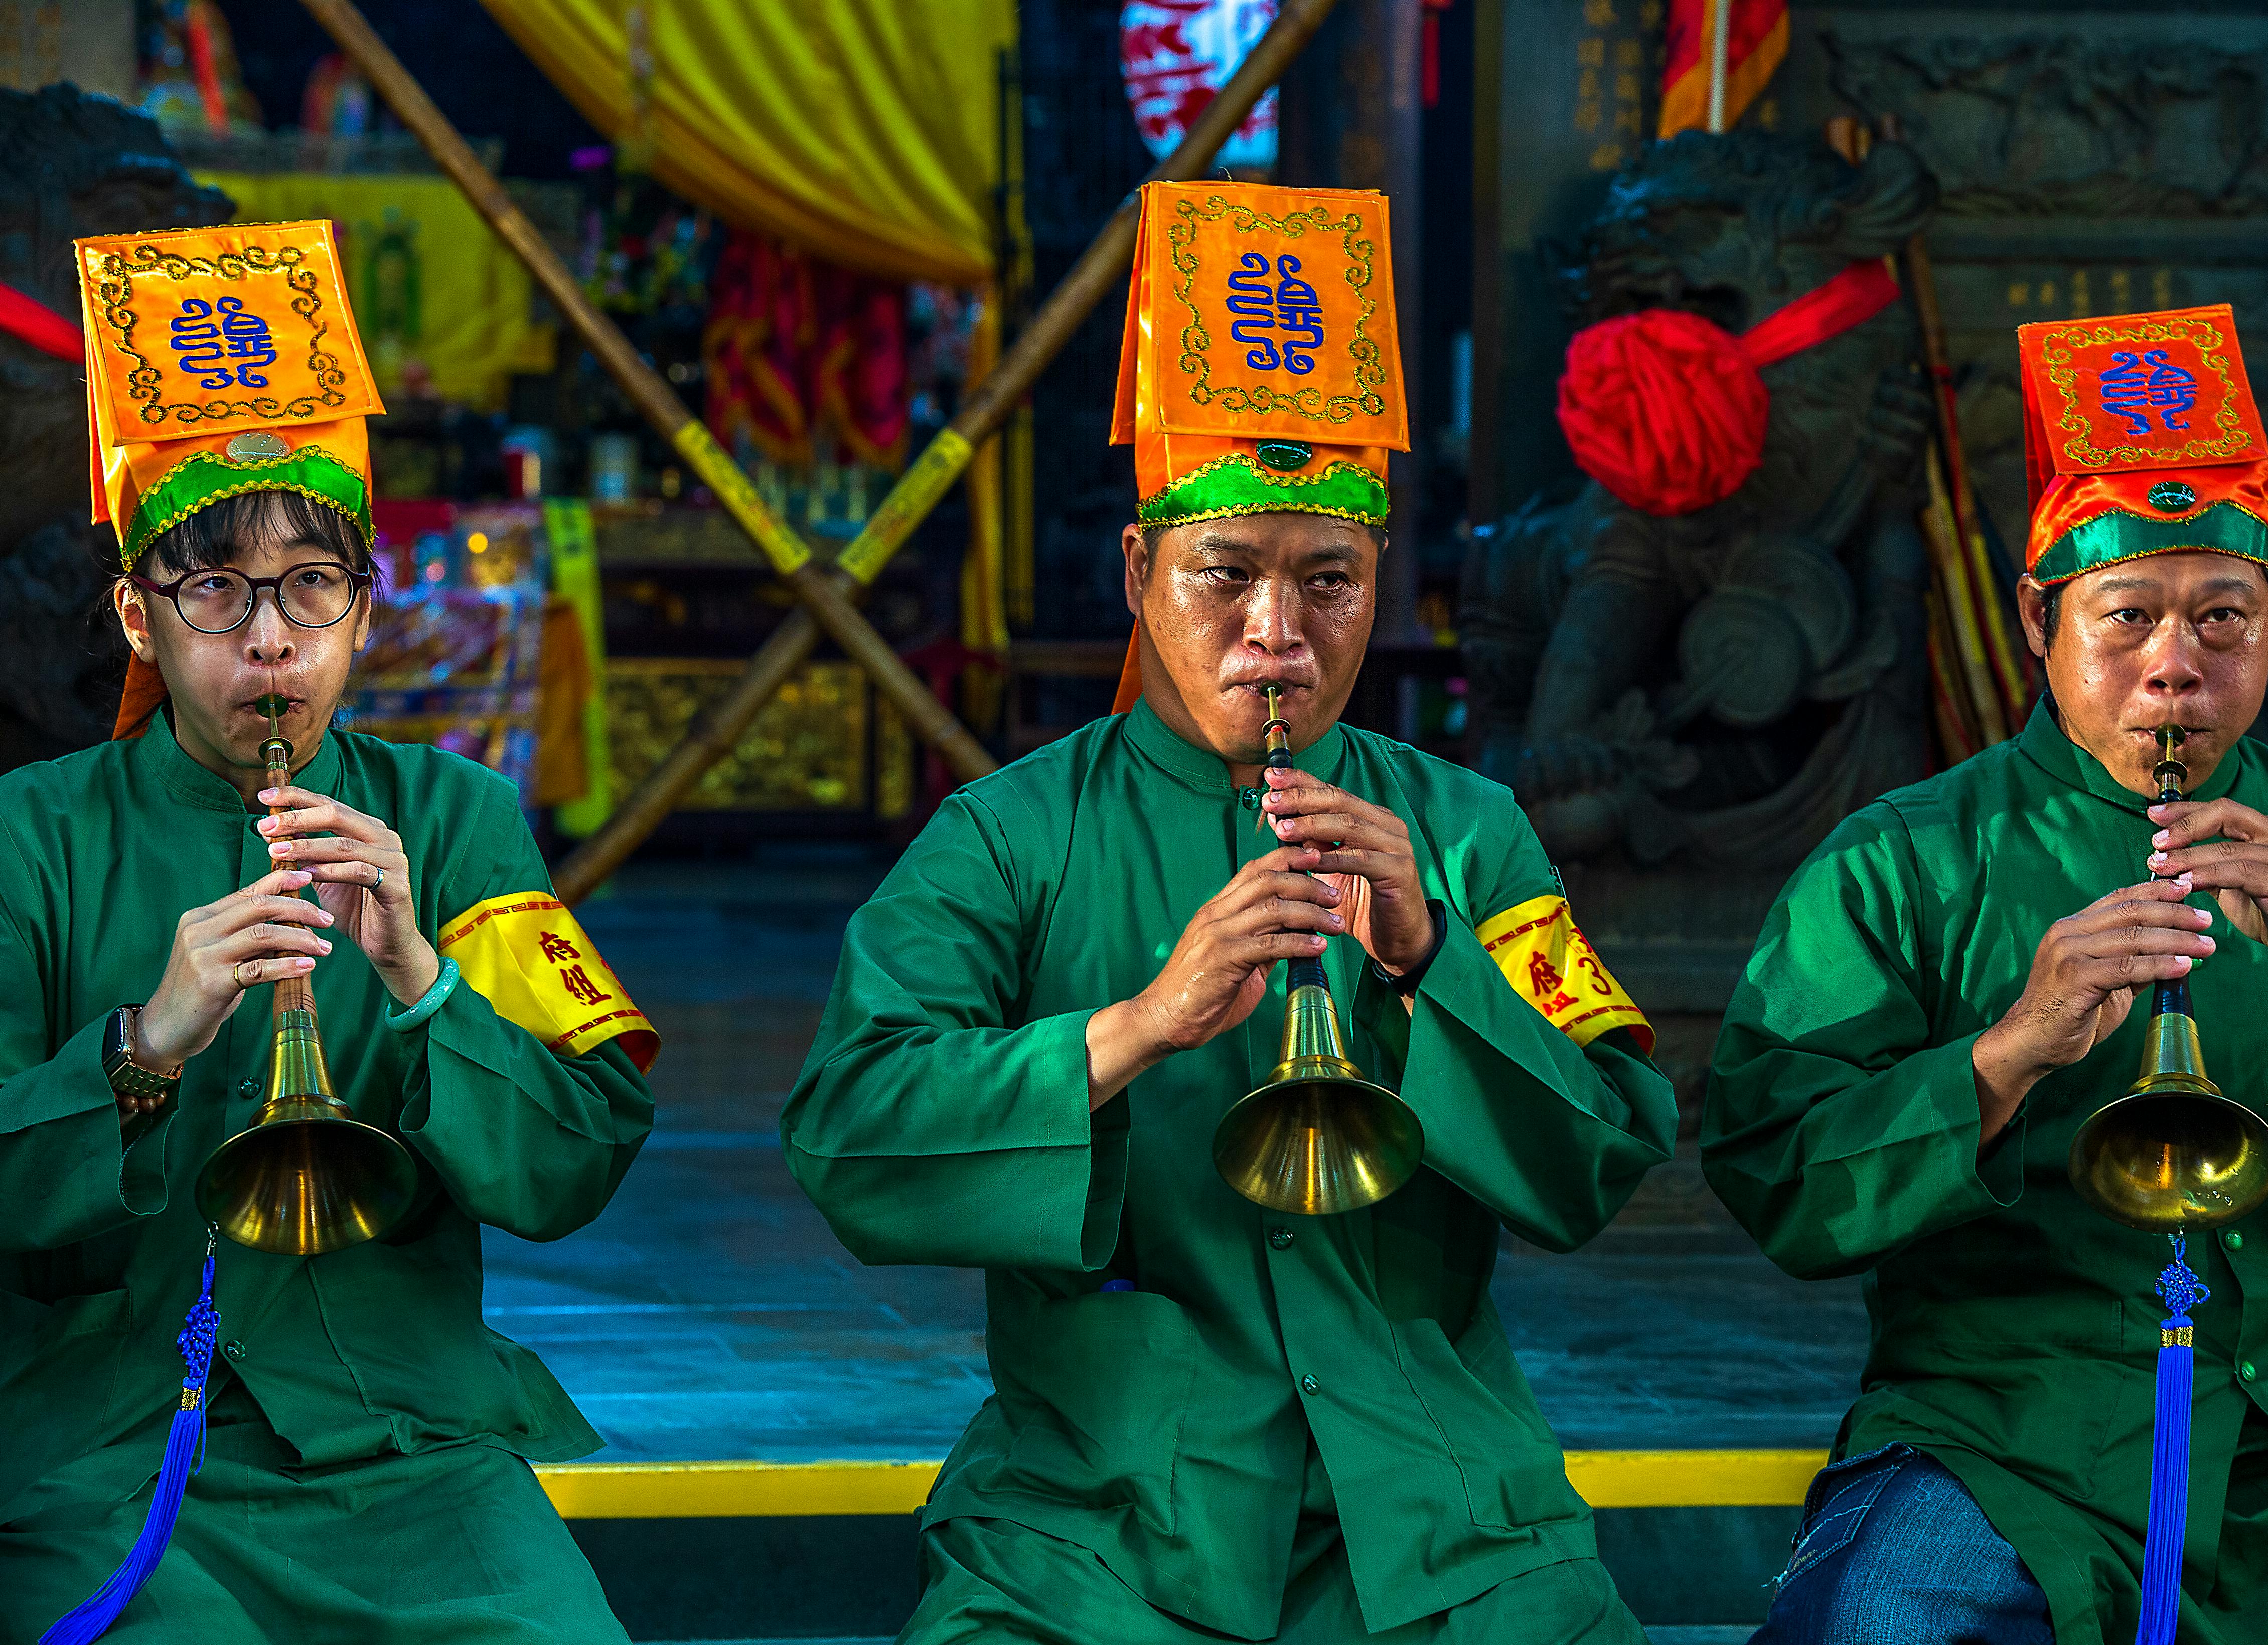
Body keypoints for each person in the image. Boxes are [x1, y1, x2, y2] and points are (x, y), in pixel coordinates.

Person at [784, 180, 1675, 1645]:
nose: (1279, 636)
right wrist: (1135, 1030)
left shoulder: (1465, 832)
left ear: (1381, 584)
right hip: (1103, 1523)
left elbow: (1602, 1158)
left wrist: (1430, 961)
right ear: (1142, 574)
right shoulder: (1006, 838)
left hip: (1443, 1517)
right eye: (1227, 576)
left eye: (1330, 582)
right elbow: (846, 1133)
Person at [1703, 302, 2268, 1644]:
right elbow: (1780, 1182)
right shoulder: (1903, 861)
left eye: (2222, 618)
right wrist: (2007, 1054)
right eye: (2127, 619)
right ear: (2039, 619)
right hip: (2009, 1434)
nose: (2174, 668)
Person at [0, 220, 657, 1643]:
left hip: (402, 1445)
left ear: (365, 609)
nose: (270, 641)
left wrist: (421, 980)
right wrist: (143, 1045)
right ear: (137, 616)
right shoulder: (29, 835)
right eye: (215, 591)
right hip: (99, 1448)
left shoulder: (458, 821)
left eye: (312, 586)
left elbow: (579, 1158)